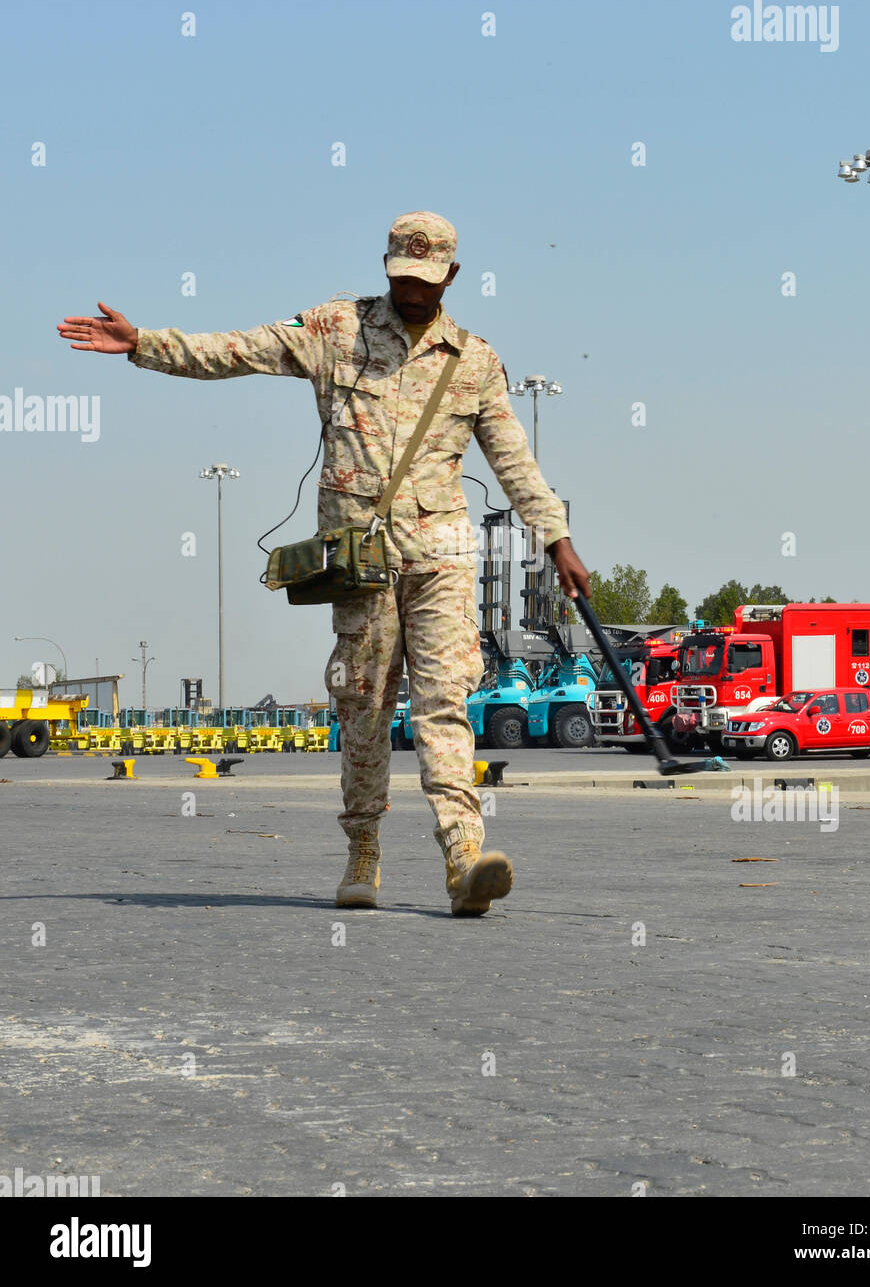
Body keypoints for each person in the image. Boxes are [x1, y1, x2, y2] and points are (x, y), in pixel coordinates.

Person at [58, 211, 591, 916]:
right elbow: (238, 350)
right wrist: (145, 344)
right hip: (360, 560)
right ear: (386, 266)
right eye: (402, 277)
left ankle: (463, 856)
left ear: (451, 277)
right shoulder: (334, 329)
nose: (412, 290)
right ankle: (362, 849)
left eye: (426, 282)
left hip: (441, 553)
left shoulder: (474, 362)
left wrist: (555, 537)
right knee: (364, 704)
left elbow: (514, 462)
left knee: (443, 702)